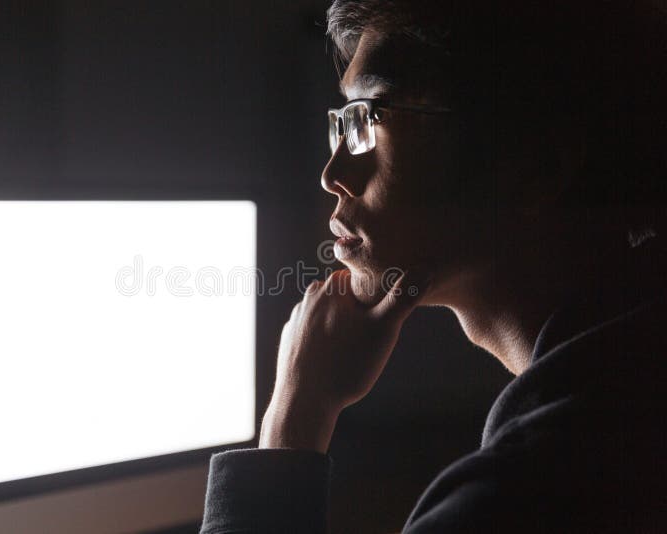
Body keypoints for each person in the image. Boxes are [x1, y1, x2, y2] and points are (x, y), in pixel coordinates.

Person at [201, 0, 667, 532]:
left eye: (372, 115)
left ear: (538, 164)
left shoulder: (516, 497)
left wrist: (294, 416)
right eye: (344, 122)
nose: (333, 174)